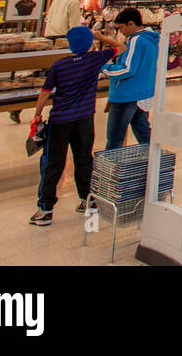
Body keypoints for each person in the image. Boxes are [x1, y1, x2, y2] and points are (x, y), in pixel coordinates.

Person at [29, 26, 116, 225]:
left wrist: (37, 115)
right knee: (84, 159)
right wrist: (100, 36)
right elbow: (121, 47)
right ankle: (88, 200)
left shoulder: (59, 66)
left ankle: (46, 209)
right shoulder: (95, 59)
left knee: (53, 162)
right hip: (85, 118)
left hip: (61, 120)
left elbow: (45, 92)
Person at [13, 0, 84, 124]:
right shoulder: (73, 1)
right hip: (64, 40)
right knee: (57, 77)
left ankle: (18, 104)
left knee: (44, 75)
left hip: (50, 38)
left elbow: (48, 18)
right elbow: (74, 25)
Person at [98, 8, 160, 149]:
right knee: (144, 133)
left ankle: (113, 168)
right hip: (142, 93)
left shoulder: (137, 40)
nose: (121, 32)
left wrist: (104, 68)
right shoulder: (152, 40)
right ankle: (156, 162)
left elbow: (127, 68)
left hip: (127, 95)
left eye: (121, 28)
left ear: (130, 23)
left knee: (115, 138)